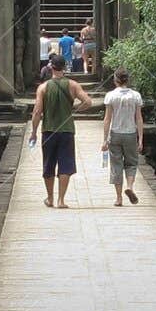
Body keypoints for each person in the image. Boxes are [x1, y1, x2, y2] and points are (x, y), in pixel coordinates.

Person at [28, 61, 93, 208]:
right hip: (67, 131)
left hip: (48, 131)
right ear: (64, 68)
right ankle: (61, 200)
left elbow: (37, 112)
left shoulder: (43, 87)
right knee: (65, 165)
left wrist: (33, 132)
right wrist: (74, 109)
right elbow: (88, 102)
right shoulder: (73, 85)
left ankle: (50, 198)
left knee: (48, 164)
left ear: (51, 68)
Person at [100, 69, 145, 206]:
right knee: (131, 163)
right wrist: (141, 138)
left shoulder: (110, 96)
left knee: (116, 165)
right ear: (128, 80)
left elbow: (107, 119)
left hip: (115, 134)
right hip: (130, 133)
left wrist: (104, 139)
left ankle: (119, 198)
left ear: (115, 80)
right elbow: (139, 118)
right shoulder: (135, 96)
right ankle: (130, 187)